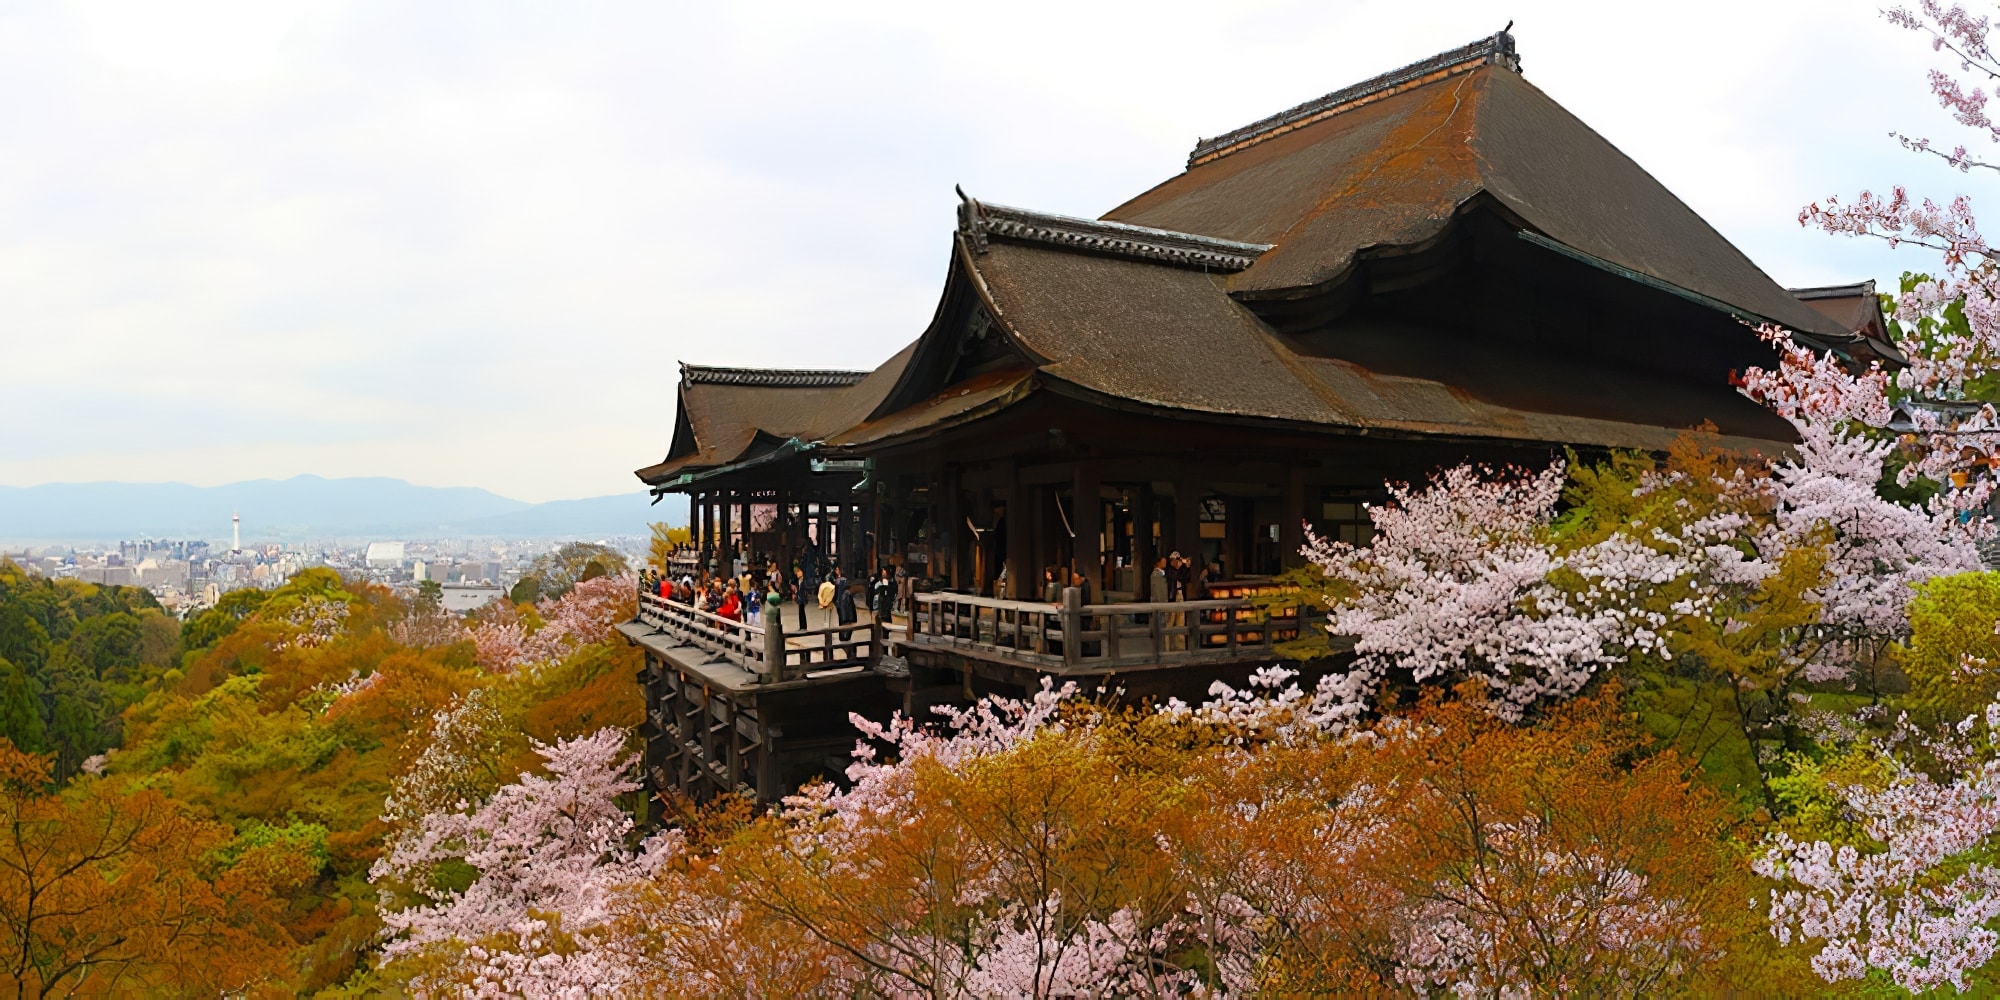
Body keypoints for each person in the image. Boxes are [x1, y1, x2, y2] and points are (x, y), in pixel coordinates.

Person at [833, 569, 858, 658]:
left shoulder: (845, 593)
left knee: (845, 631)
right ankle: (849, 649)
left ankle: (849, 650)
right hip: (844, 612)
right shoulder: (845, 592)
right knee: (845, 630)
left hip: (845, 613)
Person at [794, 565, 810, 631]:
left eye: (798, 572)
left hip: (802, 598)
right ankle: (801, 626)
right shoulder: (799, 581)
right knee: (800, 612)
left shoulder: (804, 581)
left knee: (802, 612)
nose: (797, 574)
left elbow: (804, 590)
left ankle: (804, 626)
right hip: (799, 598)